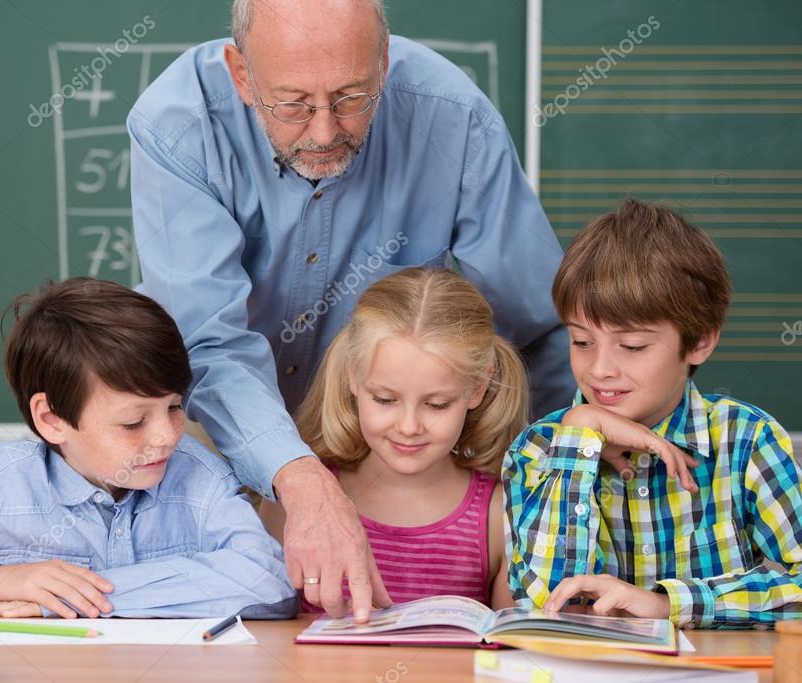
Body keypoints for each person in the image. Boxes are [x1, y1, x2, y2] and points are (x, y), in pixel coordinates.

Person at [129, 0, 571, 620]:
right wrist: (302, 479)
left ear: (383, 63)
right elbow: (208, 343)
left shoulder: (452, 116)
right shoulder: (179, 124)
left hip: (386, 441)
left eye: (351, 98)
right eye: (292, 104)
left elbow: (535, 325)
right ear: (241, 75)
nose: (323, 132)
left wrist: (562, 467)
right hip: (218, 417)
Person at [0, 278, 297, 619]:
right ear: (51, 419)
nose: (167, 436)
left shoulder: (199, 476)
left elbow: (269, 584)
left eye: (173, 407)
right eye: (133, 422)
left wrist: (79, 598)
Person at [503, 198, 802, 626]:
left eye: (632, 346)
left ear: (700, 341)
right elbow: (545, 601)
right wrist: (580, 435)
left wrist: (668, 605)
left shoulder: (746, 440)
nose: (599, 369)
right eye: (581, 342)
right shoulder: (539, 448)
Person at [262, 268, 525, 609]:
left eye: (437, 404)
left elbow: (509, 639)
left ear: (477, 387)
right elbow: (263, 626)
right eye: (385, 400)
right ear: (352, 376)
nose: (409, 426)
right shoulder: (299, 499)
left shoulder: (499, 513)